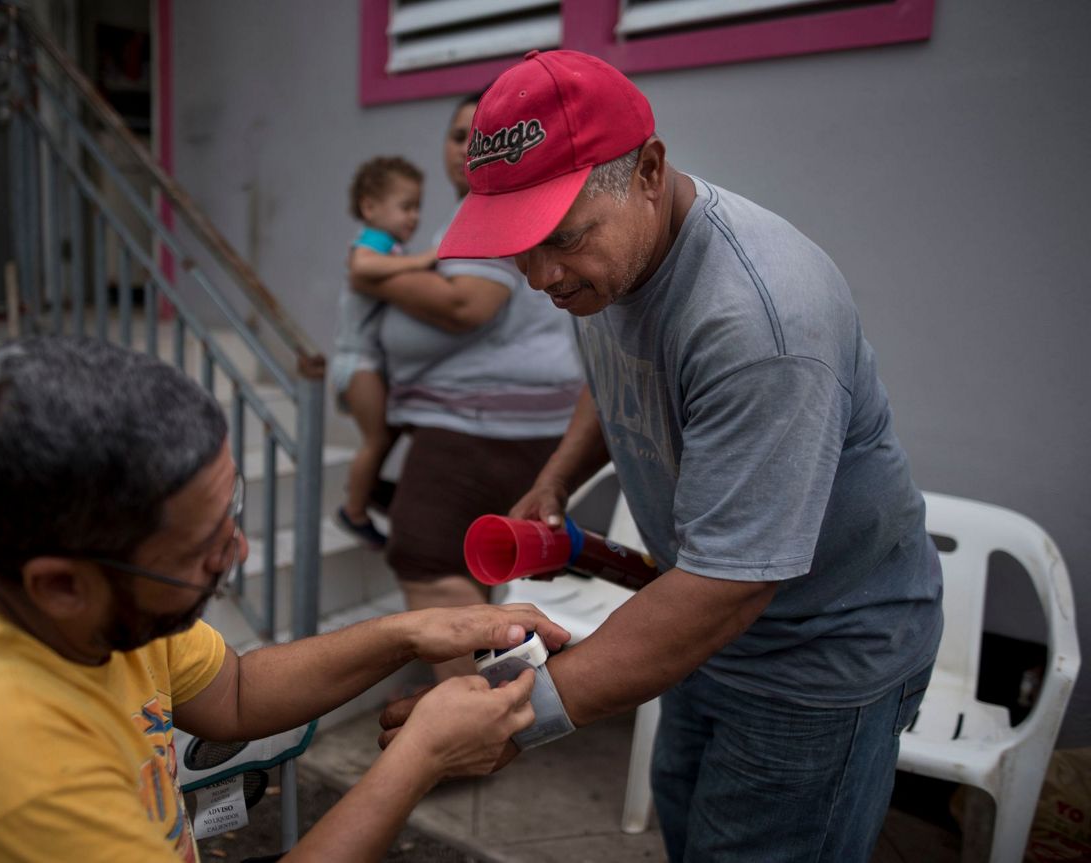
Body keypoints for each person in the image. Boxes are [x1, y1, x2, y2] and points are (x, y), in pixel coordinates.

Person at [384, 50, 944, 861]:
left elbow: (725, 589)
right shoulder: (607, 268)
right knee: (697, 837)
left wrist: (513, 712)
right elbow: (617, 374)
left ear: (647, 170)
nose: (541, 277)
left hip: (817, 651)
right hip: (702, 627)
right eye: (517, 247)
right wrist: (556, 480)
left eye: (562, 238)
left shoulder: (759, 324)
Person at [0, 336, 570, 862]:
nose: (236, 552)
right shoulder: (4, 776)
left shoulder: (46, 585)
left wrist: (409, 631)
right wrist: (422, 756)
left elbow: (232, 693)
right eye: (200, 549)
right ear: (62, 583)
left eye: (231, 514)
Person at [350, 93, 585, 681]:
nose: (467, 149)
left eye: (481, 136)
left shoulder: (492, 214)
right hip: (497, 423)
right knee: (472, 565)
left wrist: (370, 279)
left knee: (426, 558)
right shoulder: (485, 216)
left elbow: (466, 304)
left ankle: (466, 723)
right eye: (458, 136)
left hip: (481, 427)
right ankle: (492, 704)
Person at [331, 156, 437, 548]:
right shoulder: (373, 241)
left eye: (418, 207)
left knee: (389, 432)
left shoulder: (393, 245)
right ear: (370, 208)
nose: (414, 216)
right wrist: (425, 259)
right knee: (377, 439)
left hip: (370, 361)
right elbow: (362, 265)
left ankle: (370, 489)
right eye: (406, 206)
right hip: (358, 360)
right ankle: (353, 511)